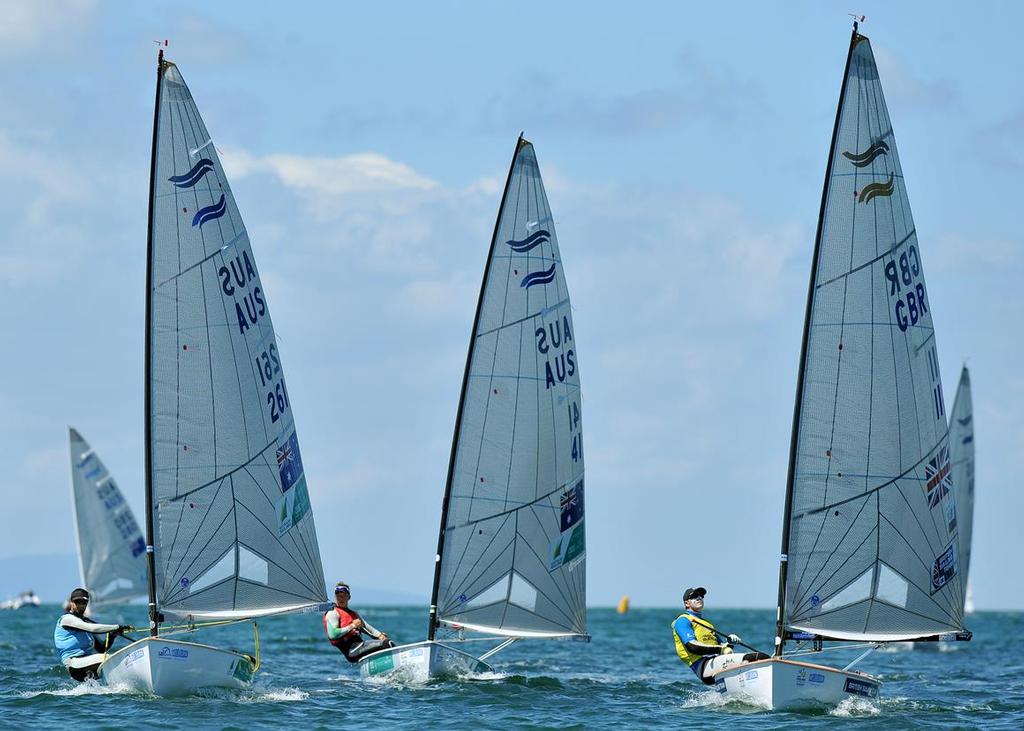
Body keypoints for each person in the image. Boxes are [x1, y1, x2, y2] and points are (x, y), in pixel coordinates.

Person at [671, 586, 768, 685]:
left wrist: (730, 643)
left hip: (717, 662)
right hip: (704, 666)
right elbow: (693, 647)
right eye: (694, 596)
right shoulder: (682, 621)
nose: (699, 598)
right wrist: (720, 649)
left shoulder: (707, 624)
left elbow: (724, 648)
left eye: (701, 596)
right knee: (756, 657)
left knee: (765, 658)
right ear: (686, 603)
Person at [53, 588, 130, 681]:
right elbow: (93, 628)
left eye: (84, 602)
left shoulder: (85, 622)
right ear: (71, 603)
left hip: (86, 663)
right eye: (77, 602)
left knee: (109, 657)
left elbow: (101, 648)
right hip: (74, 665)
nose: (80, 605)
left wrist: (112, 636)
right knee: (110, 659)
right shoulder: (67, 619)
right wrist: (116, 627)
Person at [323, 581, 395, 662]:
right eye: (338, 596)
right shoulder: (332, 613)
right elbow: (333, 634)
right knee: (387, 644)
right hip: (351, 651)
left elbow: (367, 627)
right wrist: (352, 626)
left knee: (386, 641)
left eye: (343, 596)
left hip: (360, 645)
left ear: (349, 597)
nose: (340, 599)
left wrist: (379, 635)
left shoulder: (354, 614)